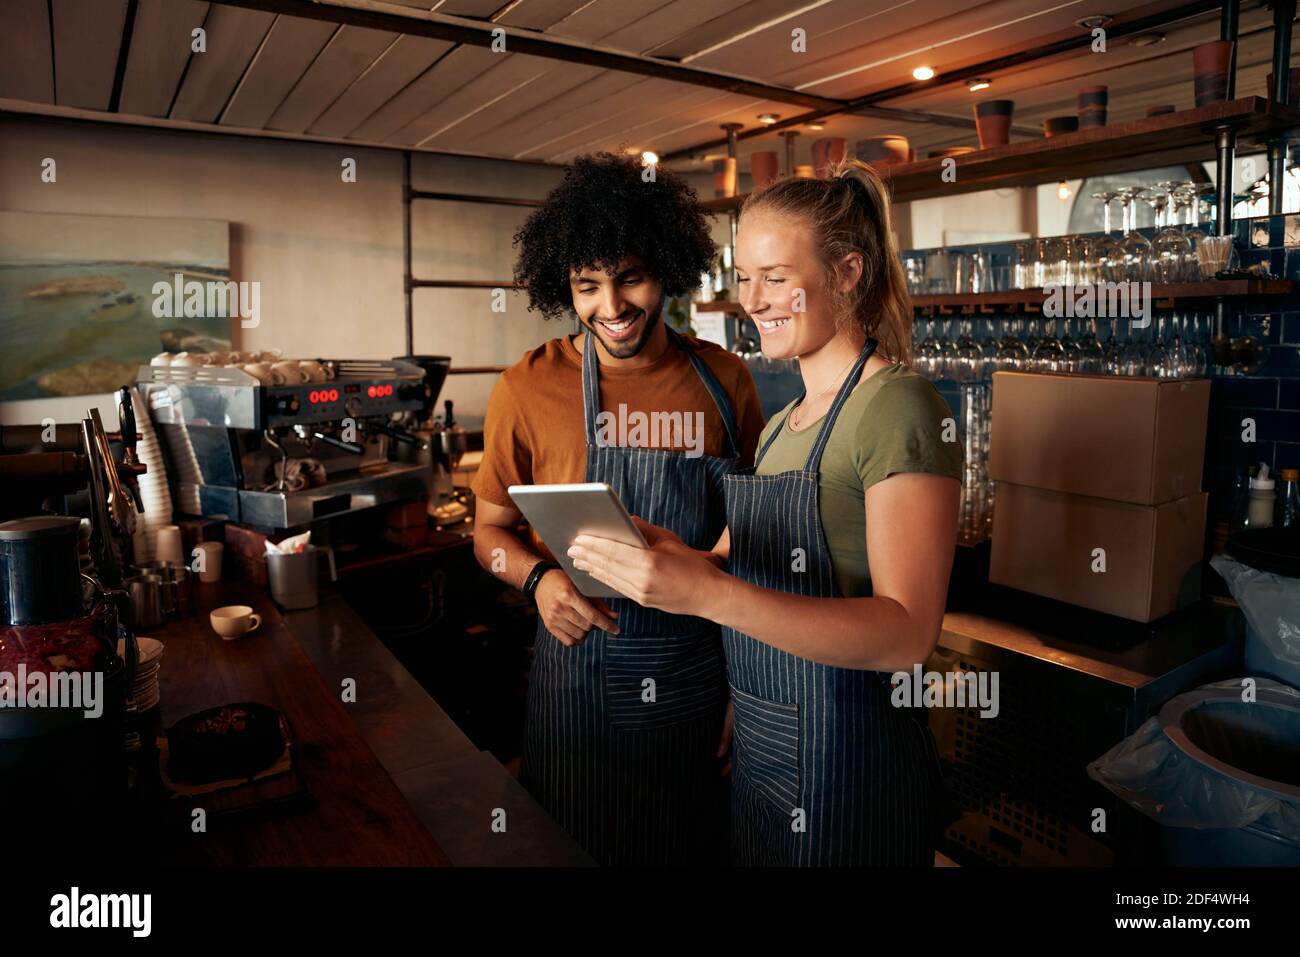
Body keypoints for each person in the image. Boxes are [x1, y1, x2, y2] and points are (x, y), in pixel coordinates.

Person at [568, 158, 962, 866]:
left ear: (845, 272)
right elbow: (731, 563)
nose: (752, 299)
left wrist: (710, 592)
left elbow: (907, 631)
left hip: (852, 769)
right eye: (744, 276)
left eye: (776, 277)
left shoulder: (898, 406)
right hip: (763, 755)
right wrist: (662, 551)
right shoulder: (785, 423)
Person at [471, 152, 764, 866]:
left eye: (630, 276)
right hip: (576, 690)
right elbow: (490, 531)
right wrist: (540, 582)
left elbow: (756, 542)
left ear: (665, 264)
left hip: (697, 681)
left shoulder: (725, 382)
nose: (613, 305)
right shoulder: (524, 388)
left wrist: (745, 696)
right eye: (587, 285)